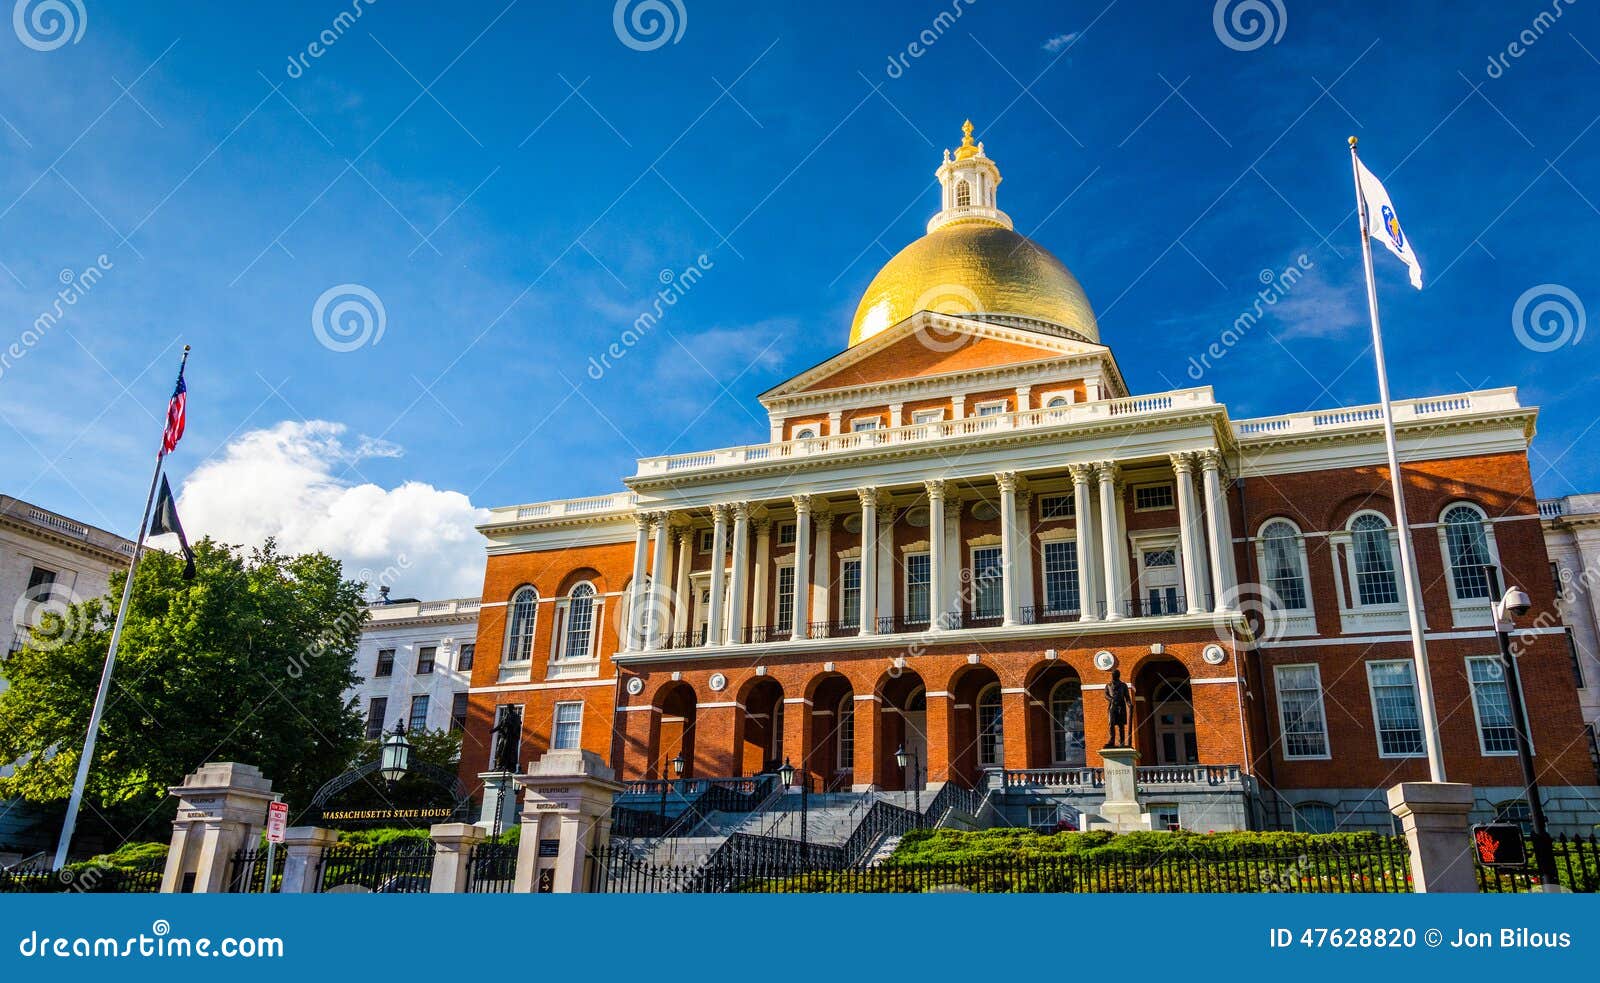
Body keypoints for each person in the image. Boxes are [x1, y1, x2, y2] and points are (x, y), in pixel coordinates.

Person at [1105, 668, 1131, 747]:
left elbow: (1127, 697)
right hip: (1112, 706)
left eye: (1115, 675)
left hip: (1121, 706)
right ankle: (1111, 741)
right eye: (1113, 675)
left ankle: (1122, 742)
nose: (1113, 676)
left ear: (1118, 676)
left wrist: (1129, 704)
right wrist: (1111, 699)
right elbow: (1106, 695)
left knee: (1121, 724)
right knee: (1111, 723)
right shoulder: (1108, 685)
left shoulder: (1123, 685)